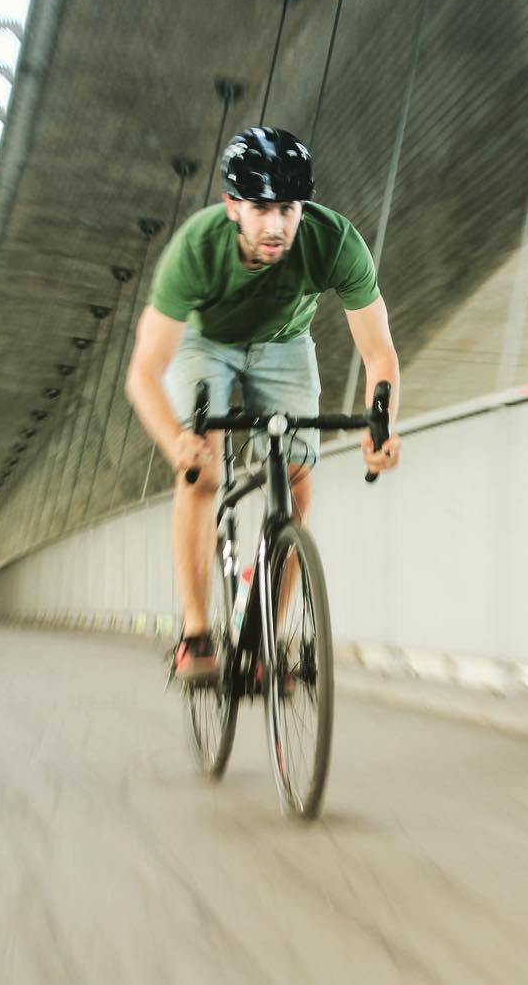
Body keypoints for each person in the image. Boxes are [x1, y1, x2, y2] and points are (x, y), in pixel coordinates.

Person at [125, 126, 401, 681]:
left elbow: (380, 354)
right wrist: (178, 441)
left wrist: (382, 430)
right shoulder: (196, 249)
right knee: (201, 475)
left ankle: (263, 645)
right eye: (260, 209)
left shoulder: (336, 242)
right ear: (233, 206)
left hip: (284, 344)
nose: (276, 226)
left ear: (304, 207)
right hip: (204, 343)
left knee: (298, 484)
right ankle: (196, 635)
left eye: (288, 210)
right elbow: (144, 373)